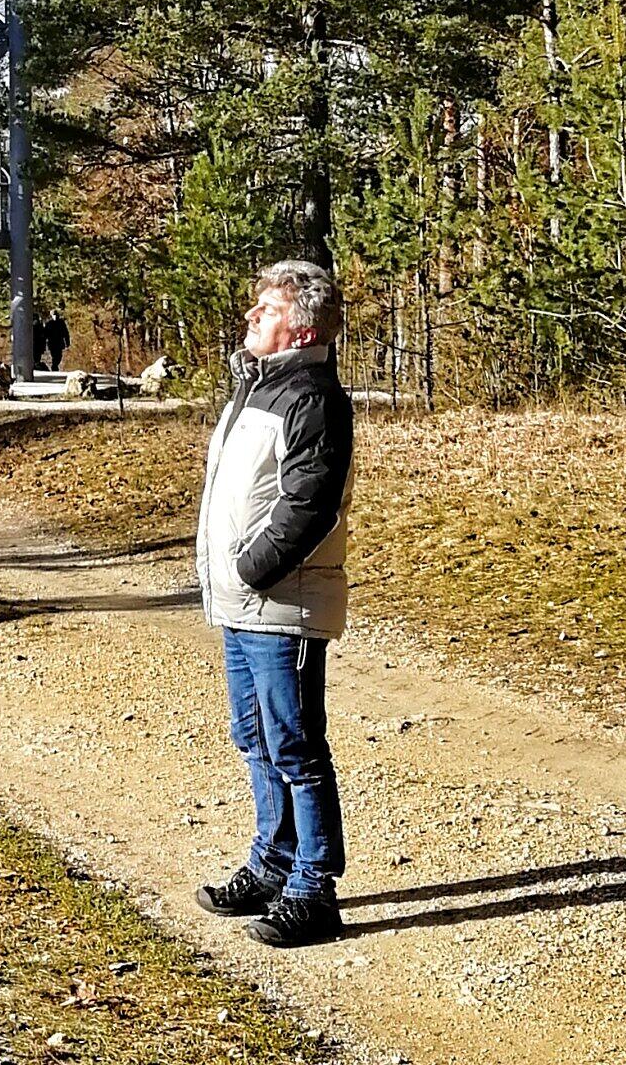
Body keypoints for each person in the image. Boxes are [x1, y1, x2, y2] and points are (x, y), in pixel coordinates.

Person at [193, 259, 353, 948]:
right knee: (254, 738)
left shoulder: (312, 397)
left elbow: (307, 502)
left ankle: (314, 888)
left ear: (302, 325)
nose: (252, 316)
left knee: (296, 746)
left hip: (278, 602)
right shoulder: (257, 388)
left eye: (267, 308)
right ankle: (271, 864)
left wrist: (252, 569)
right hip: (240, 604)